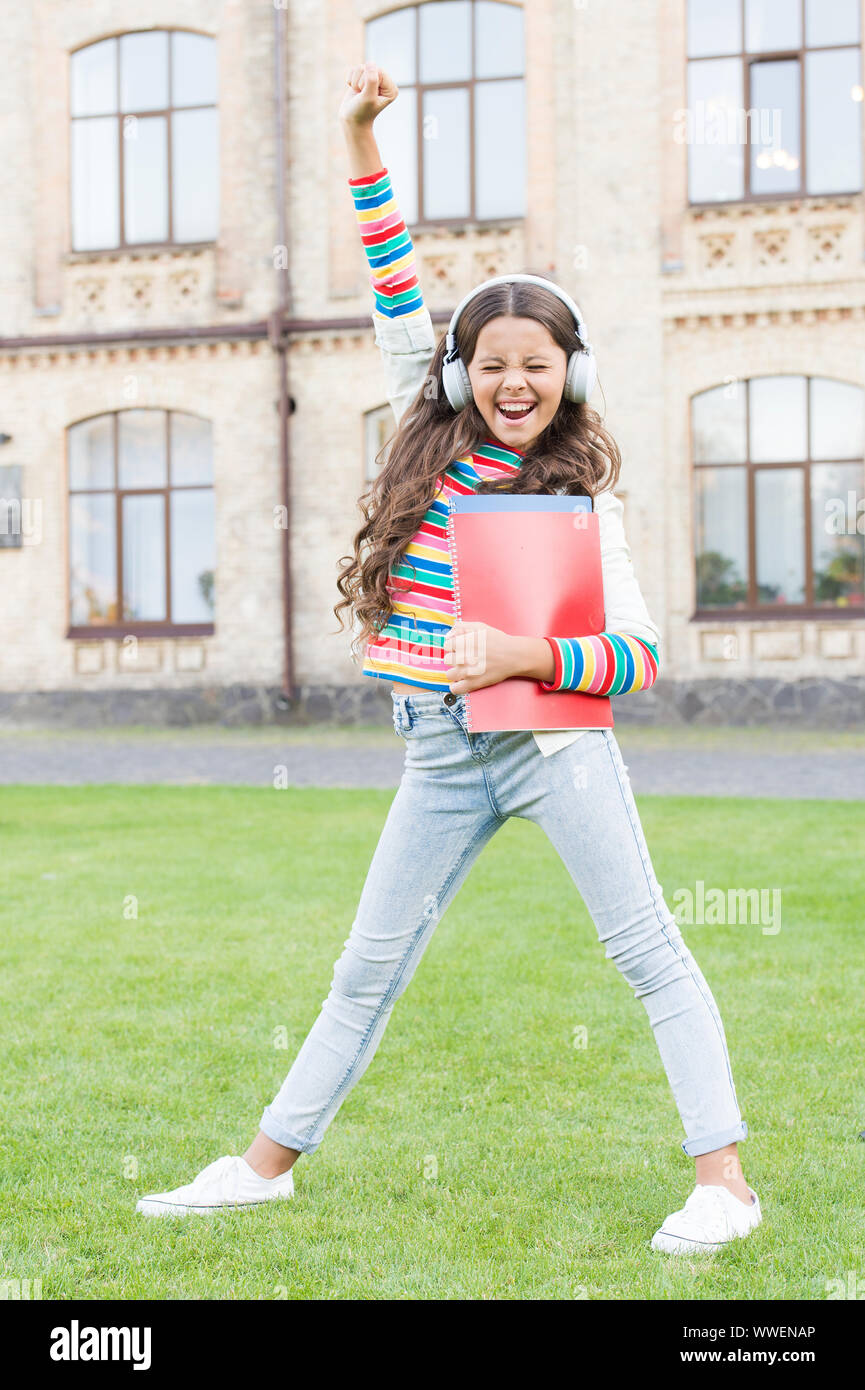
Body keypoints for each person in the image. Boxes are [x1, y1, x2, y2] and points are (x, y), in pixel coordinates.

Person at [137, 61, 762, 1256]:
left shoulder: (583, 498)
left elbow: (635, 656)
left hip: (550, 749)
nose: (513, 381)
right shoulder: (419, 426)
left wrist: (521, 651)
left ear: (568, 376)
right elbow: (390, 274)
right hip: (434, 748)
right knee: (364, 968)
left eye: (537, 364)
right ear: (453, 374)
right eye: (490, 363)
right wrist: (360, 135)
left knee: (646, 950)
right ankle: (262, 1168)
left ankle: (724, 1182)